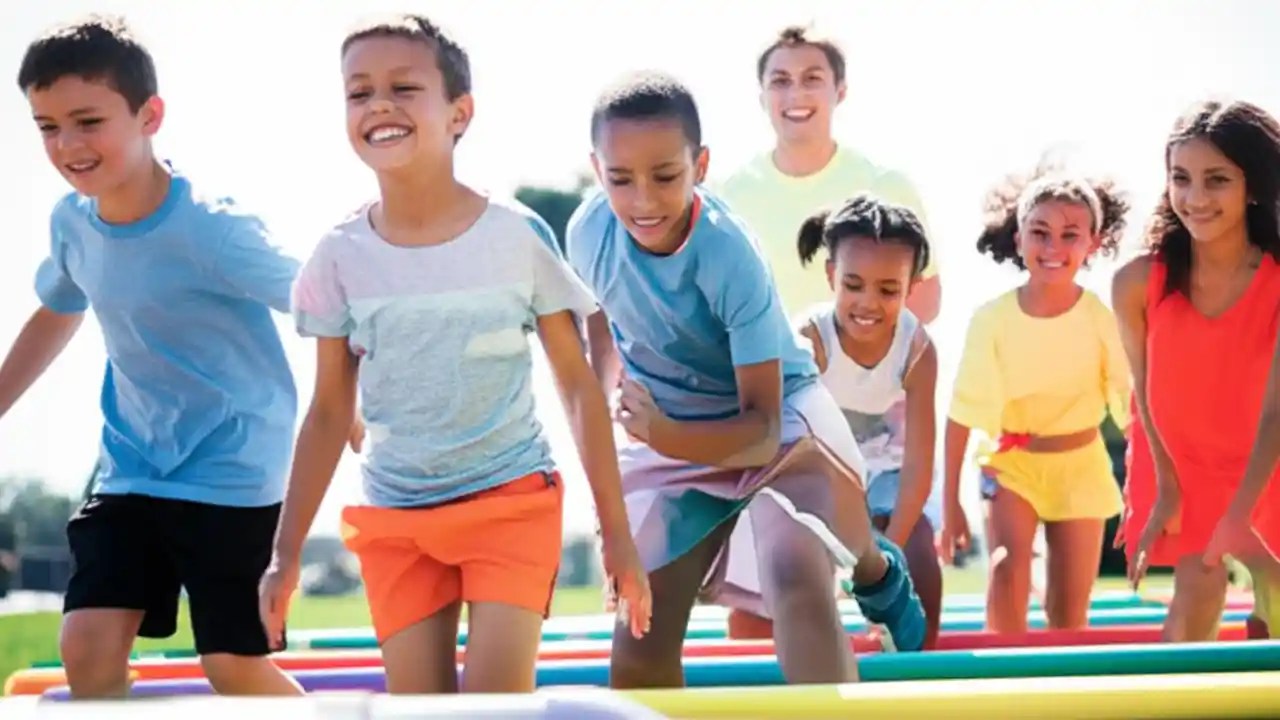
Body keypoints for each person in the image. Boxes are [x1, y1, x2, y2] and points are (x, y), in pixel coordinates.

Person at [256, 14, 650, 695]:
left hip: (510, 501)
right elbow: (327, 413)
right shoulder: (338, 258)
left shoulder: (514, 237)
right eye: (359, 92)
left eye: (404, 87)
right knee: (420, 712)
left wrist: (616, 532)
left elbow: (580, 389)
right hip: (397, 518)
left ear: (459, 112)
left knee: (496, 710)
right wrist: (284, 553)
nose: (379, 104)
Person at [566, 70, 926, 688]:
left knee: (796, 578)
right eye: (621, 179)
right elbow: (604, 345)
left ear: (700, 165)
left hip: (780, 425)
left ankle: (874, 567)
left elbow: (760, 432)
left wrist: (664, 433)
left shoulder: (729, 254)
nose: (644, 200)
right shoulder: (587, 234)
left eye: (666, 176)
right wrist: (620, 477)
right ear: (597, 170)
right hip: (671, 434)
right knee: (640, 634)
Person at [0, 15, 303, 698]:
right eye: (47, 127)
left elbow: (322, 301)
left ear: (149, 115)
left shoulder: (213, 230)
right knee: (87, 648)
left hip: (234, 467)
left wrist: (353, 398)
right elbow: (57, 310)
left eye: (87, 120)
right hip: (133, 468)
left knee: (231, 663)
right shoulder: (72, 222)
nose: (67, 144)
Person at [717, 194, 945, 648]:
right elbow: (785, 443)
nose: (868, 303)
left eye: (888, 290)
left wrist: (887, 551)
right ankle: (760, 664)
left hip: (886, 472)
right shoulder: (810, 340)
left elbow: (918, 465)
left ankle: (916, 668)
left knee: (917, 552)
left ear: (912, 286)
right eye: (853, 285)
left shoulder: (917, 350)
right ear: (830, 276)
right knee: (770, 568)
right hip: (812, 466)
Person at [939, 164, 1132, 634]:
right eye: (1040, 233)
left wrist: (1148, 487)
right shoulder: (992, 319)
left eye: (1070, 235)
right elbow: (962, 414)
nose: (1053, 248)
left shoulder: (1100, 318)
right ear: (1019, 238)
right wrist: (950, 505)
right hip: (1010, 463)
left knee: (1068, 616)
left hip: (1080, 465)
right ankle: (997, 694)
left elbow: (1131, 410)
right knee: (1007, 568)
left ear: (1093, 243)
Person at [1116, 98, 1280, 642]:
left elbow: (1277, 411)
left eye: (1216, 181)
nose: (1195, 198)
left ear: (1252, 186)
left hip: (1268, 460)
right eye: (1181, 179)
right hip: (1183, 464)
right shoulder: (1138, 283)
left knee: (1273, 600)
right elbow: (1143, 393)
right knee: (1194, 598)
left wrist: (1243, 516)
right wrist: (1165, 487)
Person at [714, 24, 941, 324]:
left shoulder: (885, 187)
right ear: (762, 97)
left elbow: (925, 300)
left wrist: (857, 359)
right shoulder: (727, 197)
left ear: (840, 91)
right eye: (780, 81)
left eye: (812, 79)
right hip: (762, 370)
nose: (796, 94)